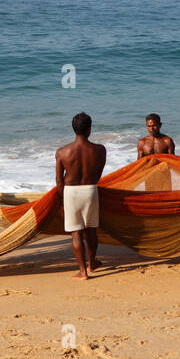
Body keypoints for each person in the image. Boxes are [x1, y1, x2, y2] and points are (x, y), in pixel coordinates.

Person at [56, 112, 107, 280]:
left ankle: (82, 272)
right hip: (91, 190)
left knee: (76, 233)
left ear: (74, 129)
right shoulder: (100, 150)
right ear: (89, 129)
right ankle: (92, 264)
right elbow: (98, 175)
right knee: (91, 231)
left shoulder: (62, 152)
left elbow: (59, 181)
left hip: (71, 192)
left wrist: (62, 201)